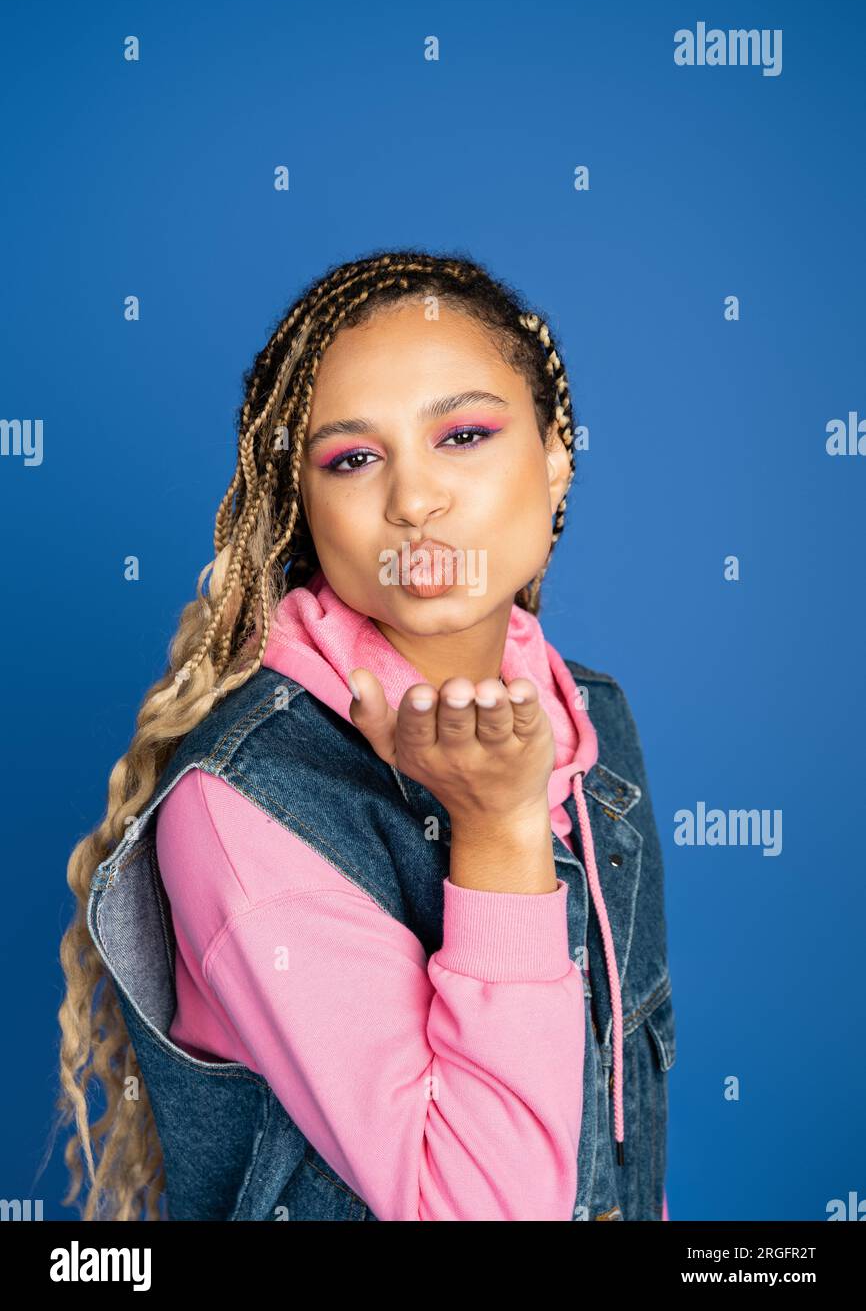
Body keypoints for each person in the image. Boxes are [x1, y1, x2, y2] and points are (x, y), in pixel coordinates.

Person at [56, 249, 675, 1221]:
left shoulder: (587, 716)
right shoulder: (245, 803)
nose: (412, 500)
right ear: (304, 505)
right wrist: (496, 829)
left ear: (557, 454)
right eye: (351, 458)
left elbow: (617, 1149)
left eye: (463, 434)